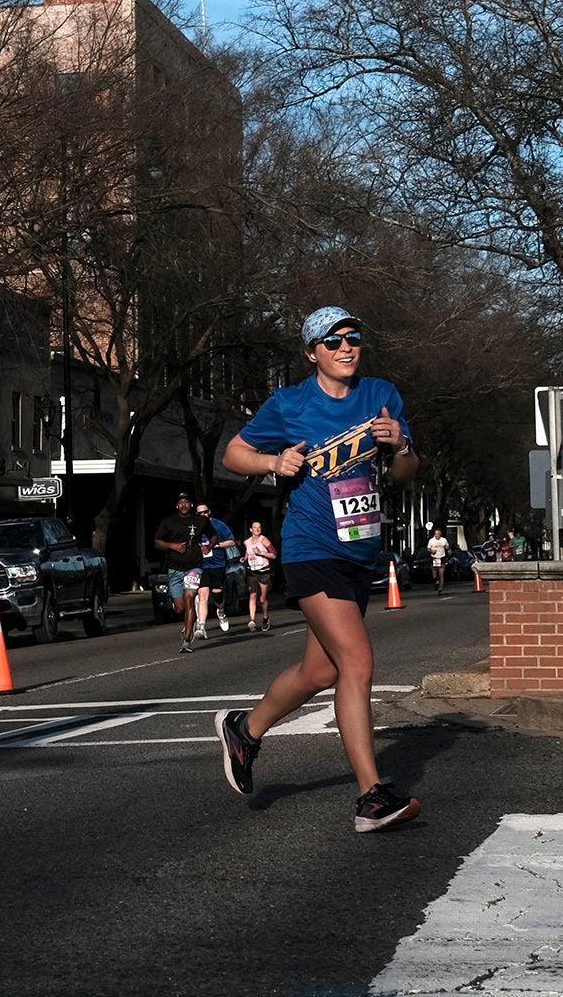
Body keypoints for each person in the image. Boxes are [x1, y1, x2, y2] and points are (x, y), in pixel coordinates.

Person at [214, 305, 422, 833]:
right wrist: (272, 463)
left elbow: (406, 473)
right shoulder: (289, 403)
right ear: (312, 353)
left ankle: (245, 729)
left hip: (360, 549)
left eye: (353, 337)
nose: (346, 347)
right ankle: (372, 795)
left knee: (322, 670)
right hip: (310, 547)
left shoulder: (381, 394)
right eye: (333, 342)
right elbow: (233, 454)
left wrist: (399, 445)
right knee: (356, 662)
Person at [152, 491, 210, 651]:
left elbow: (213, 536)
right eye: (181, 502)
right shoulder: (168, 521)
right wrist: (172, 546)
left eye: (187, 502)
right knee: (180, 608)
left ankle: (187, 639)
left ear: (191, 505)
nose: (184, 505)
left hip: (194, 566)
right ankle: (189, 623)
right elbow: (157, 542)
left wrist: (209, 546)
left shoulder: (200, 521)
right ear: (177, 505)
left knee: (190, 597)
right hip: (175, 568)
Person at [196, 500, 235, 634]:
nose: (202, 514)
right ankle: (201, 626)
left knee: (217, 594)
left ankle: (221, 612)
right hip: (202, 566)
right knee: (203, 595)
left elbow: (231, 541)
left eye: (205, 512)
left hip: (217, 564)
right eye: (199, 513)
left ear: (209, 512)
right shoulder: (194, 527)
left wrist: (216, 545)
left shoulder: (219, 525)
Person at [243, 520, 275, 631]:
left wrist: (260, 553)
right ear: (251, 529)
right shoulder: (247, 542)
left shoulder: (264, 540)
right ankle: (252, 620)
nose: (257, 529)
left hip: (264, 571)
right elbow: (248, 552)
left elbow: (274, 555)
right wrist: (245, 558)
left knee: (262, 599)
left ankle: (266, 618)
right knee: (252, 595)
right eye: (255, 528)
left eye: (259, 528)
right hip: (252, 572)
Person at [426, 527, 451, 593]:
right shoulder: (431, 540)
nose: (437, 535)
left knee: (441, 574)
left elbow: (447, 546)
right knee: (434, 574)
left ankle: (440, 588)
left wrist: (447, 547)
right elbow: (428, 548)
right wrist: (432, 551)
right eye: (436, 533)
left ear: (440, 534)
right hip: (434, 558)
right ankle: (436, 581)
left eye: (438, 533)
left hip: (442, 557)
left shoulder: (444, 540)